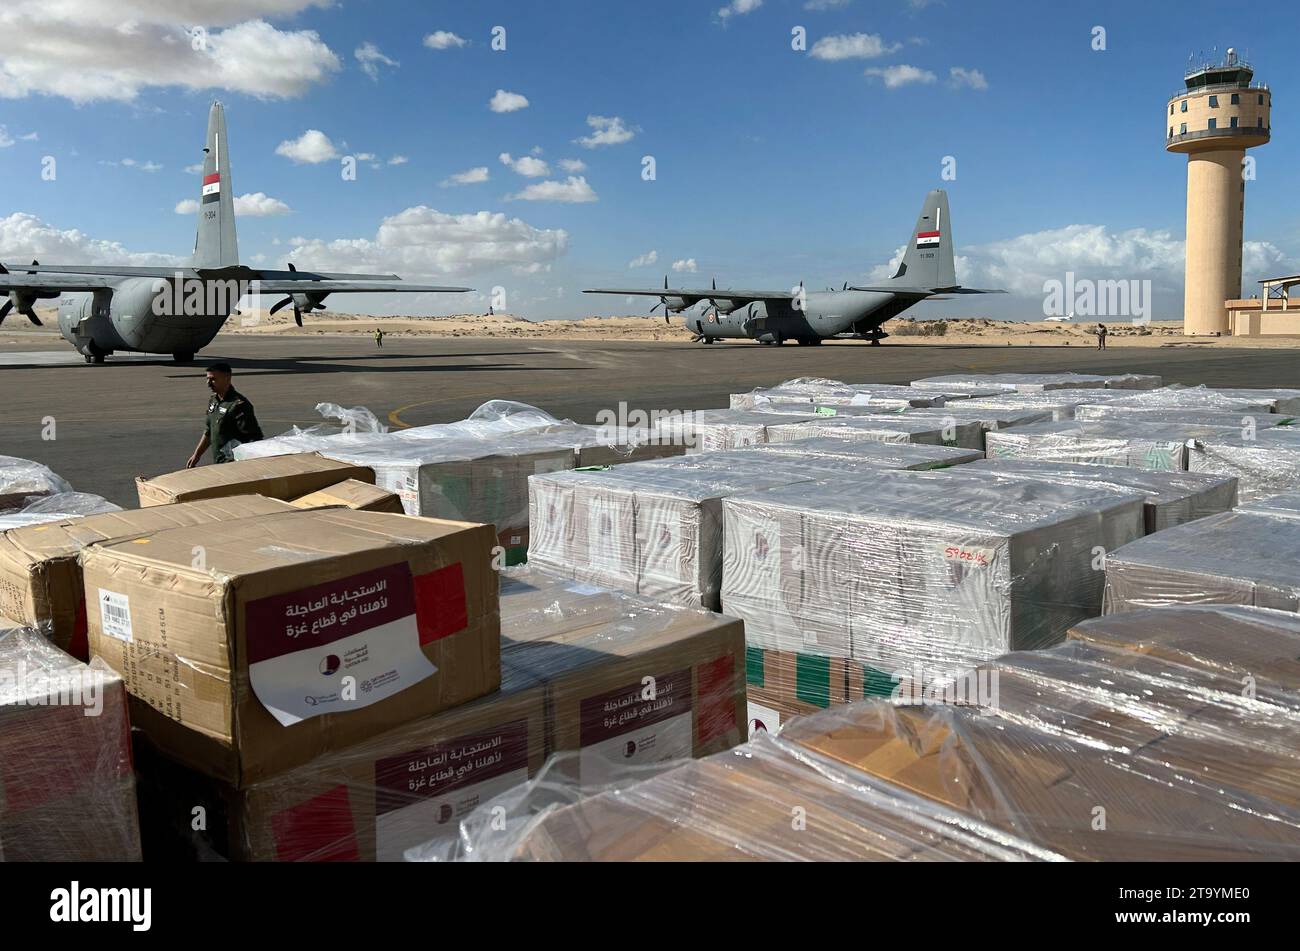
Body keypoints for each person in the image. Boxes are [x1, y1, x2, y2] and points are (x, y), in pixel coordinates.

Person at [186, 362, 264, 467]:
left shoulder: (238, 405)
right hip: (219, 461)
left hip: (234, 464)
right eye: (207, 379)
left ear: (227, 378)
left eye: (213, 379)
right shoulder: (214, 401)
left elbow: (254, 438)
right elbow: (209, 431)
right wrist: (197, 455)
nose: (208, 383)